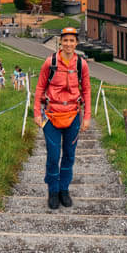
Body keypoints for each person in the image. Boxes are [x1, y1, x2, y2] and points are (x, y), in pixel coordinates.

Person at [33, 26, 91, 210]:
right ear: (60, 42)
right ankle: (53, 190)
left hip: (73, 115)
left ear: (76, 43)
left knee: (69, 155)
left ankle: (64, 190)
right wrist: (36, 112)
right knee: (52, 155)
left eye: (71, 41)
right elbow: (40, 88)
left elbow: (87, 90)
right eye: (65, 40)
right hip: (51, 116)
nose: (68, 44)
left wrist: (87, 117)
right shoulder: (50, 63)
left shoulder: (82, 64)